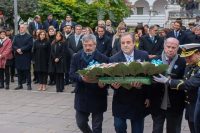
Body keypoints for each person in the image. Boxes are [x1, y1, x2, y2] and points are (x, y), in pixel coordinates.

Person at [153, 43, 200, 133]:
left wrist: (169, 81)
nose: (186, 59)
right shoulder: (191, 65)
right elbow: (184, 79)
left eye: (189, 57)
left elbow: (189, 83)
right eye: (185, 57)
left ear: (198, 54)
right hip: (191, 108)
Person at [109, 33, 150, 133]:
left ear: (134, 43)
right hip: (120, 100)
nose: (125, 45)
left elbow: (150, 77)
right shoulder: (113, 59)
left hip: (138, 99)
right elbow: (110, 78)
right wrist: (113, 86)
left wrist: (148, 96)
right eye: (123, 43)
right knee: (119, 127)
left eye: (128, 42)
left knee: (137, 130)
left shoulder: (143, 55)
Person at [69, 34, 109, 133]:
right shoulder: (76, 57)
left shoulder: (103, 58)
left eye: (90, 45)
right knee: (81, 122)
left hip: (98, 95)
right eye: (85, 45)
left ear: (95, 45)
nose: (87, 47)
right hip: (82, 95)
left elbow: (108, 77)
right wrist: (81, 78)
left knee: (97, 127)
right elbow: (71, 74)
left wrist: (104, 83)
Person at [150, 38, 186, 133]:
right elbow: (149, 80)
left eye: (173, 47)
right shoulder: (154, 60)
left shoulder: (183, 62)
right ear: (164, 46)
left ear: (178, 48)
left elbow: (186, 81)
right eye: (168, 47)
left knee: (174, 130)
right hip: (157, 102)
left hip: (175, 103)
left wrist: (171, 81)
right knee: (157, 129)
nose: (170, 49)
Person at [12, 24, 33, 90]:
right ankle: (19, 84)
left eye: (23, 27)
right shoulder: (16, 36)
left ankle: (29, 85)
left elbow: (29, 45)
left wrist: (21, 49)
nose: (21, 29)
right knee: (19, 71)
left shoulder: (29, 36)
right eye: (20, 27)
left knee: (27, 71)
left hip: (26, 56)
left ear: (26, 28)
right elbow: (13, 45)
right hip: (18, 56)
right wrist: (17, 49)